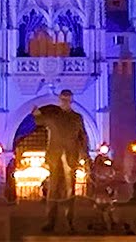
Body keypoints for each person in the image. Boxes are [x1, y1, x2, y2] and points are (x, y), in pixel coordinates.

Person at [33, 89, 90, 233]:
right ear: (59, 100)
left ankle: (69, 221)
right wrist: (35, 113)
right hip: (55, 157)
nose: (65, 102)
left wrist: (85, 155)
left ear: (71, 100)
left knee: (70, 190)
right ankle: (50, 221)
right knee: (53, 189)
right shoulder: (53, 116)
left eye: (68, 99)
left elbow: (82, 137)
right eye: (63, 99)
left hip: (71, 157)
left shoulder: (77, 118)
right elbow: (39, 120)